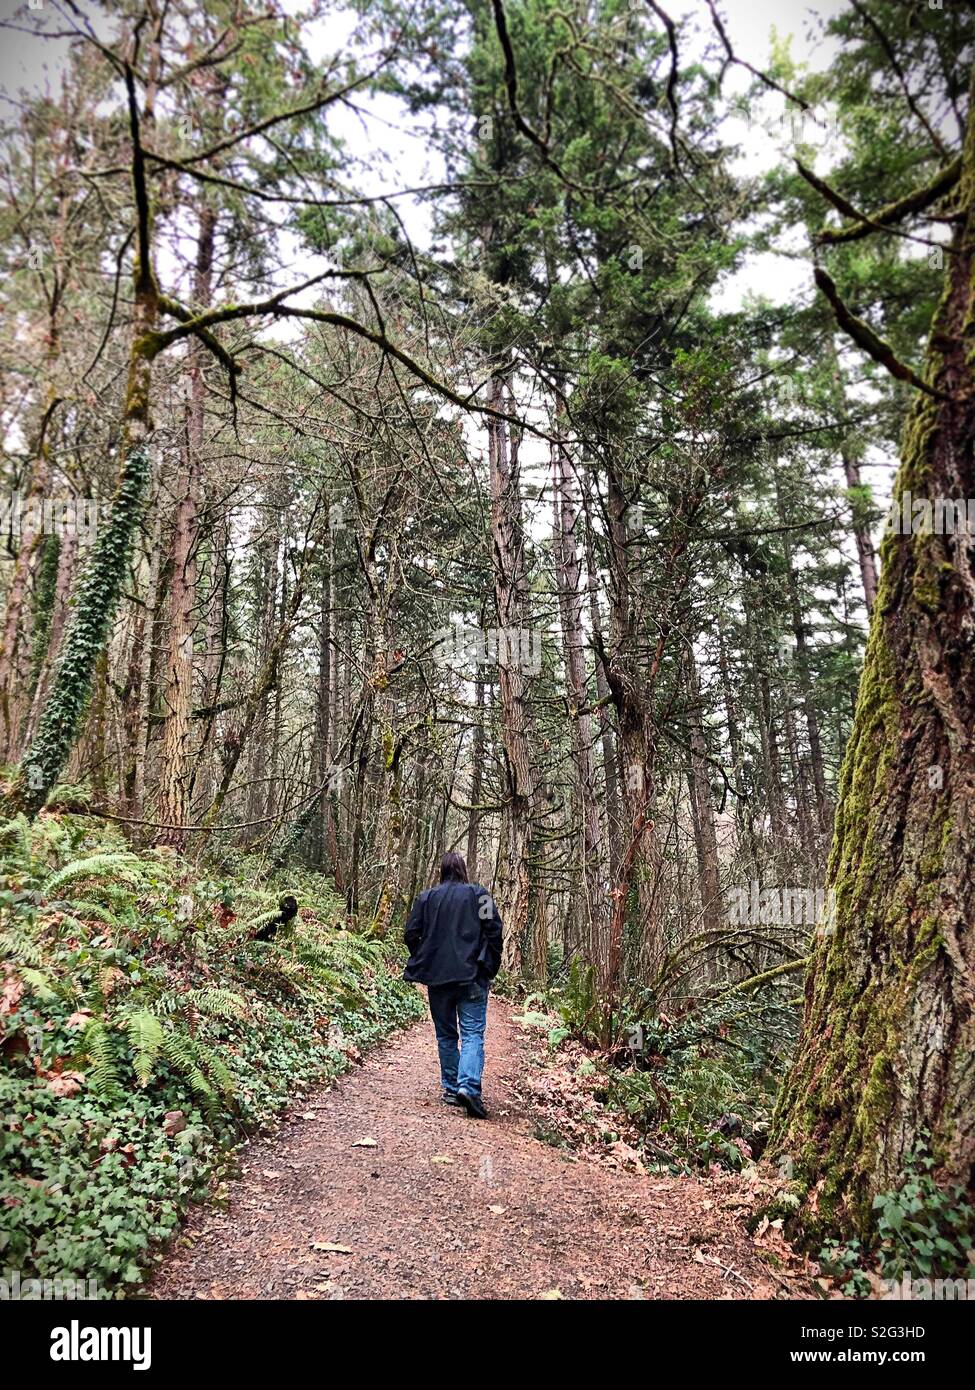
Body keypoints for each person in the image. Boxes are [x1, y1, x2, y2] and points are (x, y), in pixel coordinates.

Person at [403, 851, 503, 1119]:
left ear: (442, 871)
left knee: (446, 1034)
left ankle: (451, 1088)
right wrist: (489, 964)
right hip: (472, 975)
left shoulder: (427, 898)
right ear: (462, 869)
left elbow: (411, 933)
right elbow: (494, 928)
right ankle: (468, 1087)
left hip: (438, 979)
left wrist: (426, 957)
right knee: (472, 1034)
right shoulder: (479, 895)